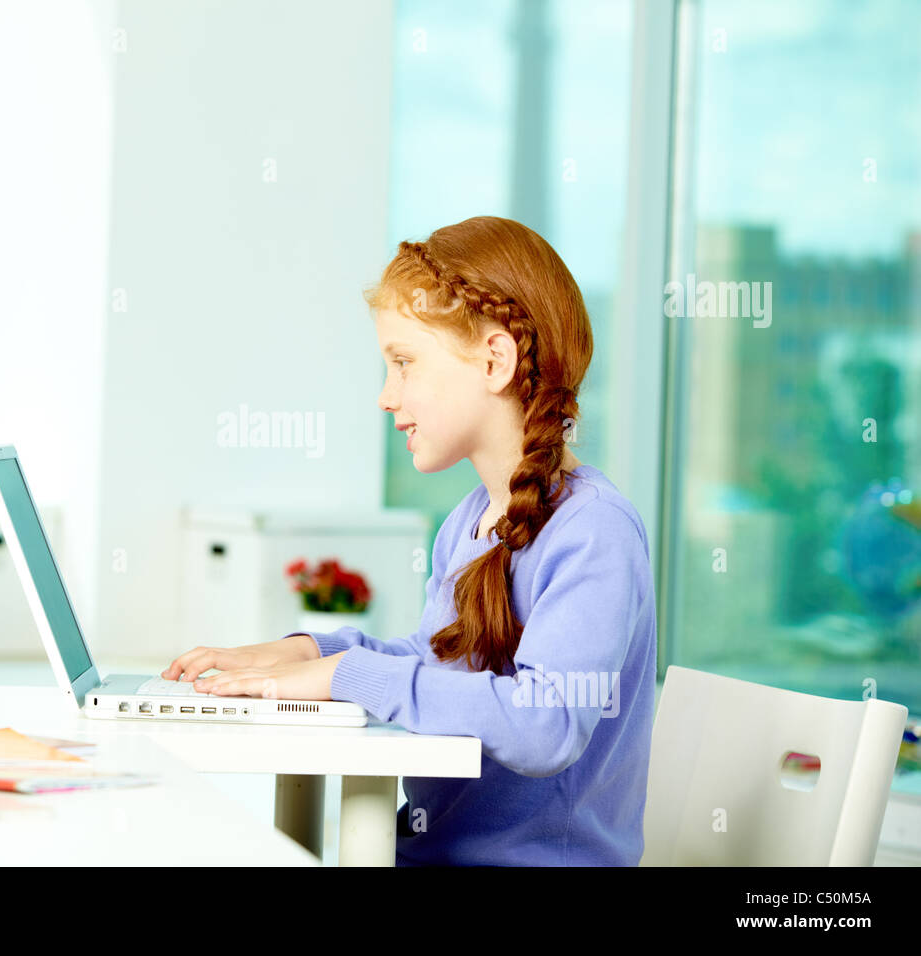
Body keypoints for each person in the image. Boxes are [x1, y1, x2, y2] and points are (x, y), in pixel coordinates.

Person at [163, 215, 657, 866]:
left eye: (404, 363)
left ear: (495, 360)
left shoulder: (594, 532)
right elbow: (431, 663)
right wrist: (304, 654)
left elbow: (547, 724)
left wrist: (346, 676)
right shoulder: (472, 521)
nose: (386, 396)